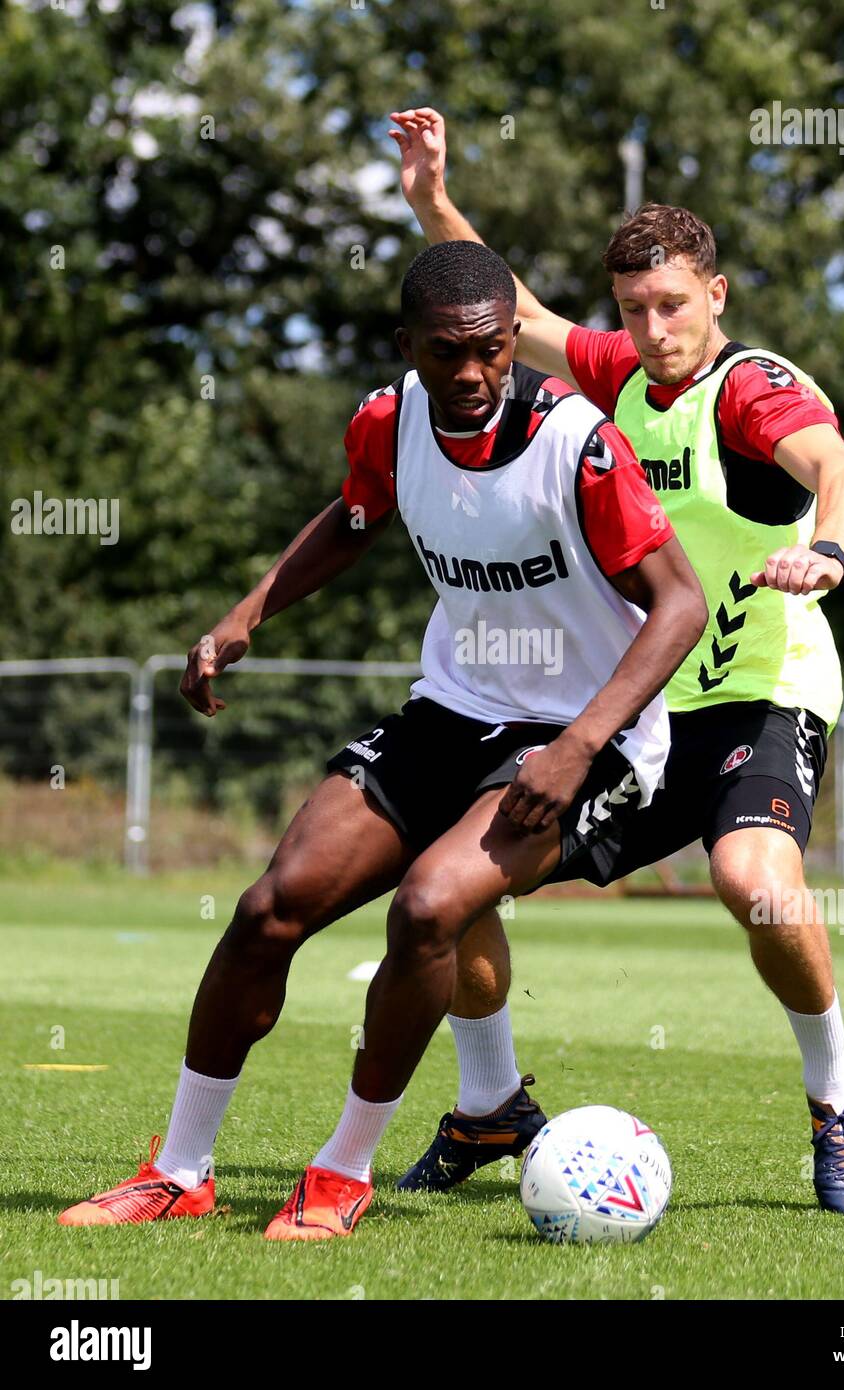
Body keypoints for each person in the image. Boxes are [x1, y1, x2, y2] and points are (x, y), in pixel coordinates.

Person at [57, 239, 707, 1238]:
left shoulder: (574, 442)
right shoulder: (388, 419)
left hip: (586, 735)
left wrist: (578, 745)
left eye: (491, 349)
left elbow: (677, 605)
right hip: (452, 711)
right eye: (447, 353)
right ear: (411, 347)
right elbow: (357, 518)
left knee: (429, 906)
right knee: (269, 907)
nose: (473, 373)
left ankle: (339, 1172)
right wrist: (247, 614)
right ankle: (180, 1169)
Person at [391, 108, 844, 1214]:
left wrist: (828, 553)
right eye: (633, 309)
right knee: (458, 877)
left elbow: (841, 474)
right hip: (643, 709)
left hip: (760, 690)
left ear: (715, 294)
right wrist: (430, 198)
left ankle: (835, 1101)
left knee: (752, 881)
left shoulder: (752, 391)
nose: (653, 327)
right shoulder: (620, 375)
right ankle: (488, 1107)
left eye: (672, 304)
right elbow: (509, 309)